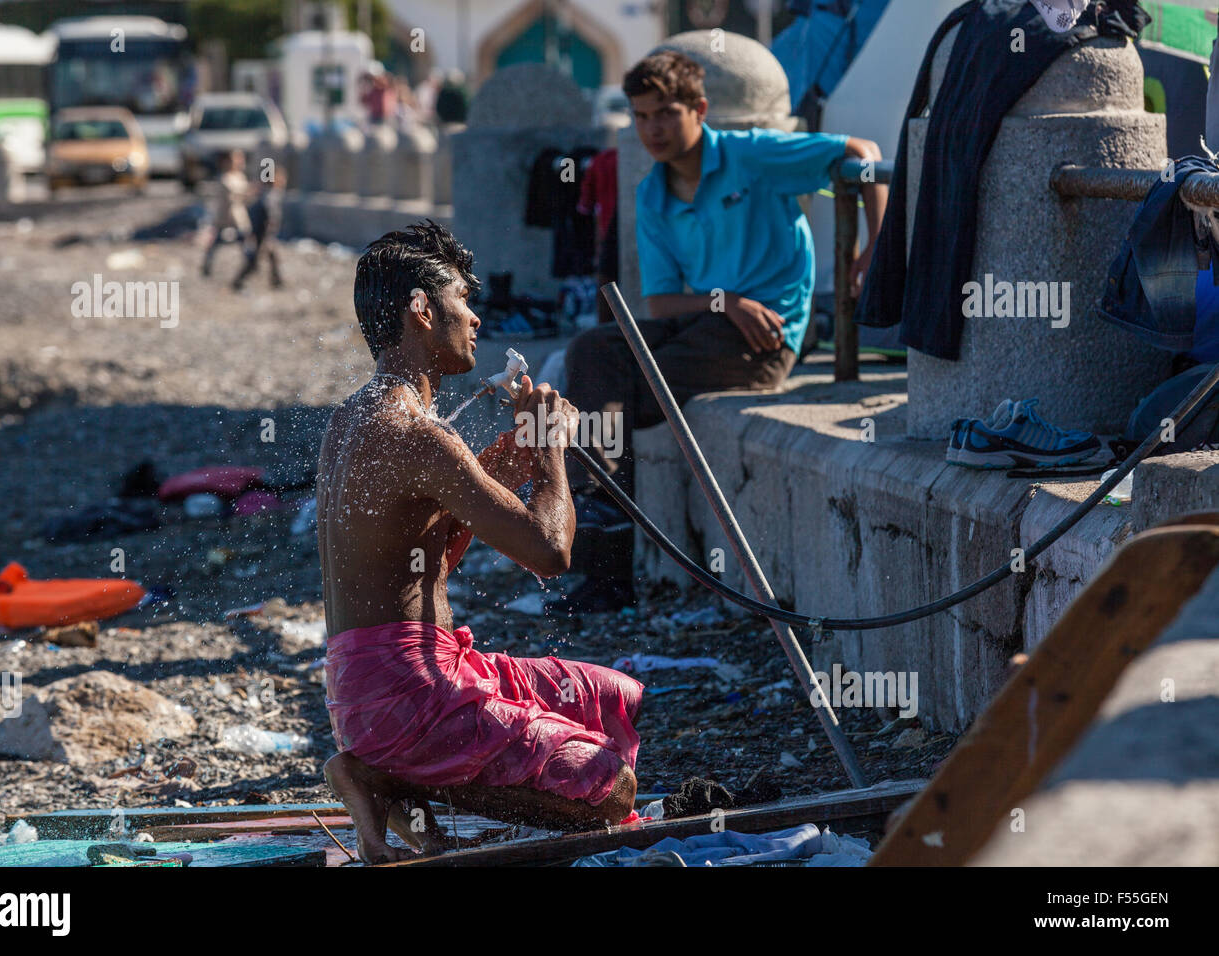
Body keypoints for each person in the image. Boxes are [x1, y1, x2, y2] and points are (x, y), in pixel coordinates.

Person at [318, 222, 643, 864]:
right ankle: (386, 778)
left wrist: (521, 447)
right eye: (463, 302)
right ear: (421, 311)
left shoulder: (355, 417)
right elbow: (551, 552)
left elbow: (432, 547)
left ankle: (387, 770)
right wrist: (550, 447)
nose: (474, 320)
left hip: (371, 688)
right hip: (410, 697)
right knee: (613, 788)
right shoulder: (419, 436)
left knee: (611, 697)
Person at [549, 50, 889, 616]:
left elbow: (864, 154)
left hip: (765, 336)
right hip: (707, 318)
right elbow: (659, 300)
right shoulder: (652, 192)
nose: (652, 129)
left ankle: (602, 539)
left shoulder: (748, 154)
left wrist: (872, 250)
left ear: (699, 110)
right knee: (593, 349)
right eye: (640, 116)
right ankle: (601, 523)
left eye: (664, 113)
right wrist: (724, 300)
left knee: (606, 397)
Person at [232, 166, 285, 291]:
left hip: (262, 233)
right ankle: (237, 282)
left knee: (272, 257)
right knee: (254, 261)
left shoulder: (266, 194)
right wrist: (266, 234)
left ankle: (277, 281)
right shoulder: (268, 196)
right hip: (262, 234)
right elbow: (268, 217)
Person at [201, 149, 251, 278]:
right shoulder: (224, 178)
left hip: (240, 219)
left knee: (248, 246)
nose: (240, 162)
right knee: (215, 245)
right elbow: (233, 194)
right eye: (236, 159)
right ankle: (207, 268)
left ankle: (249, 268)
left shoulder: (240, 177)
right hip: (225, 218)